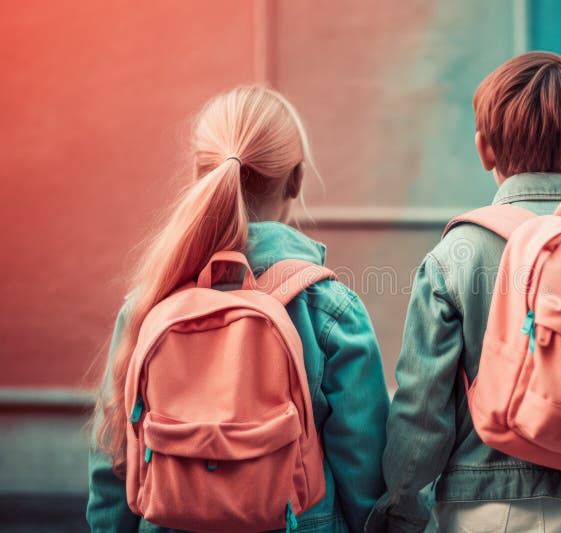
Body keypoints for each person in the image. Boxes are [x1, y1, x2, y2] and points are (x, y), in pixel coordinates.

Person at [365, 52, 561, 533]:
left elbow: (422, 407)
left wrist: (401, 512)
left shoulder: (457, 254)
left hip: (482, 509)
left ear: (484, 149)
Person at [86, 85, 389, 533]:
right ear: (296, 180)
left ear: (198, 173)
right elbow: (362, 464)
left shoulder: (150, 303)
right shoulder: (328, 308)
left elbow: (114, 457)